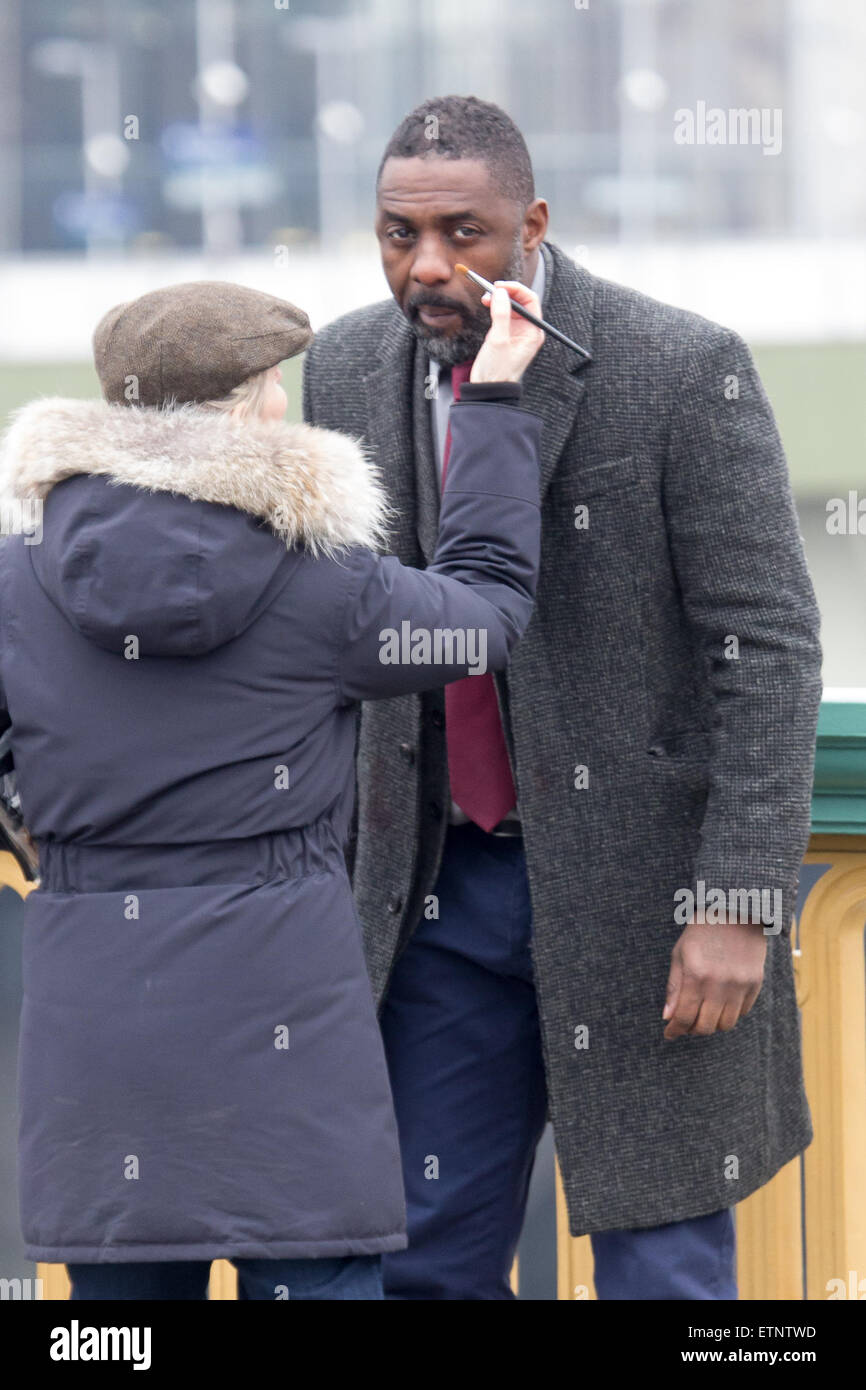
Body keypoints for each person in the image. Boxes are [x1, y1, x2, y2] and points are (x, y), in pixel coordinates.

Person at [302, 96, 823, 1300]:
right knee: (423, 1258)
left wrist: (736, 900)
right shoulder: (339, 365)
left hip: (648, 899)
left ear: (529, 223)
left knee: (663, 1267)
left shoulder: (681, 366)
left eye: (462, 232)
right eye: (396, 234)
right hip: (427, 892)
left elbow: (768, 645)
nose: (426, 266)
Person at [0, 276, 544, 1300]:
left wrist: (40, 829)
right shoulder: (324, 581)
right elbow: (484, 614)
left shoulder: (15, 579)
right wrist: (493, 406)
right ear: (255, 400)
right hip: (282, 1025)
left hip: (97, 1022)